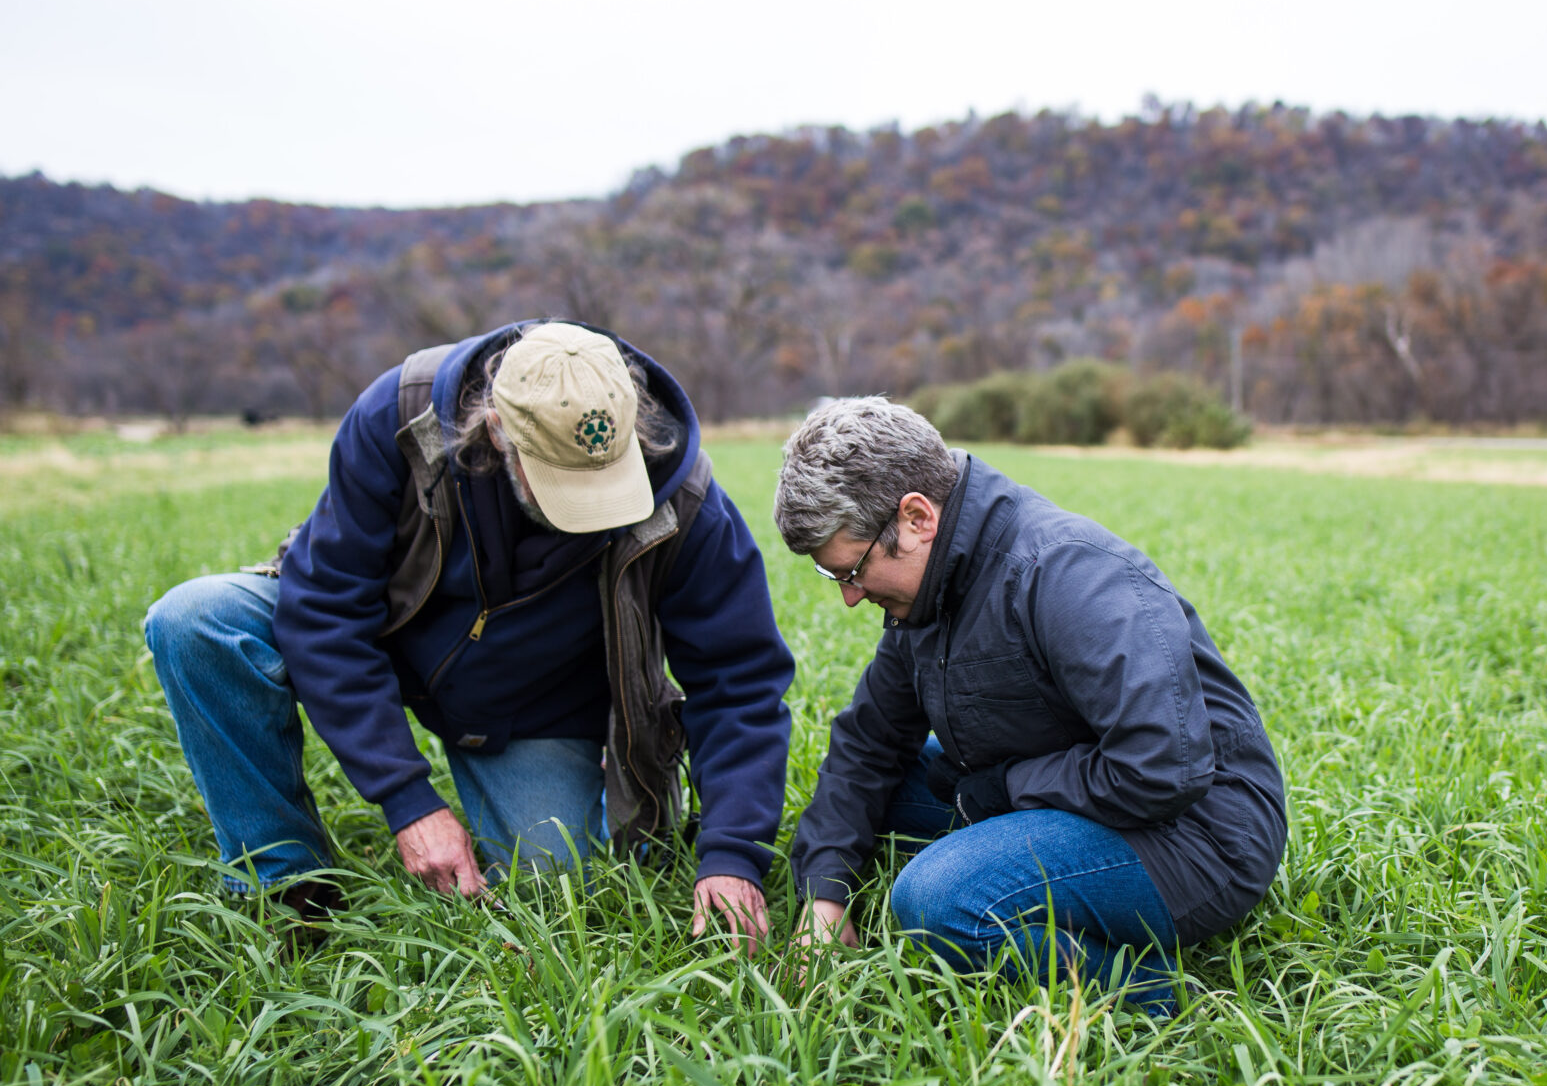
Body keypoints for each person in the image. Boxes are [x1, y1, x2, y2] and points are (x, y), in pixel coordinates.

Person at [143, 321, 794, 947]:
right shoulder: (399, 417)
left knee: (563, 889)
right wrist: (408, 801)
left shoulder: (687, 500)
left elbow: (738, 684)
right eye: (565, 485)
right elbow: (325, 607)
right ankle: (286, 886)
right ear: (497, 432)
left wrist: (732, 854)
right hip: (390, 636)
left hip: (533, 705)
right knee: (196, 621)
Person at [772, 398, 1286, 1015]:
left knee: (938, 899)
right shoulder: (928, 593)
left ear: (915, 518)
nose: (852, 598)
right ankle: (1023, 869)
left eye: (852, 571)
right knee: (883, 790)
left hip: (1195, 834)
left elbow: (1163, 766)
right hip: (1088, 788)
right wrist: (824, 894)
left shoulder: (1065, 572)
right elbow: (869, 743)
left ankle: (1157, 998)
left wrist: (1008, 788)